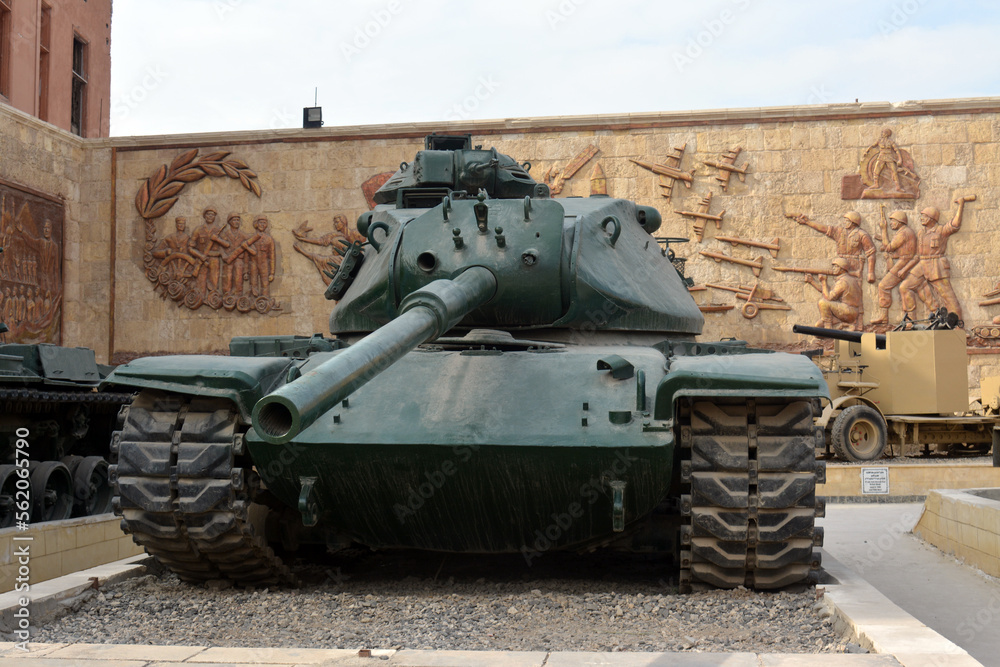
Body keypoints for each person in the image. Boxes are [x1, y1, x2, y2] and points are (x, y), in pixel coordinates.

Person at [900, 200, 968, 320]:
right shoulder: (921, 233)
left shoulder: (941, 230)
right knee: (905, 286)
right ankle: (910, 321)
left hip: (936, 265)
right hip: (922, 264)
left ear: (932, 218)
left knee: (947, 296)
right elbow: (917, 255)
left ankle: (957, 324)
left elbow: (955, 224)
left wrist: (961, 205)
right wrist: (905, 269)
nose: (921, 218)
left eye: (924, 216)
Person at [795, 212, 876, 283]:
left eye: (847, 220)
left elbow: (871, 254)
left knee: (854, 291)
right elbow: (824, 228)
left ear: (853, 222)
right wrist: (808, 222)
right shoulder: (840, 231)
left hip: (854, 265)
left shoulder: (862, 234)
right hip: (840, 264)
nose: (844, 222)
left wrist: (870, 273)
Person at [806, 258, 863, 331]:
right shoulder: (847, 279)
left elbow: (828, 297)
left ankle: (828, 329)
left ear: (842, 269)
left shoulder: (843, 282)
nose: (833, 268)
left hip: (848, 312)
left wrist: (823, 281)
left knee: (823, 303)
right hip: (847, 312)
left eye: (836, 266)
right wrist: (812, 281)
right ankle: (843, 325)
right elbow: (827, 291)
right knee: (818, 326)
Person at [248, 215, 276, 299]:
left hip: (264, 264)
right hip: (253, 263)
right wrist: (245, 271)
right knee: (253, 283)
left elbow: (272, 256)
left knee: (265, 283)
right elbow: (246, 254)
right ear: (256, 224)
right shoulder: (251, 238)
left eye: (264, 223)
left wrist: (272, 273)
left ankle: (265, 300)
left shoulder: (269, 239)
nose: (262, 225)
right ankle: (253, 300)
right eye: (260, 222)